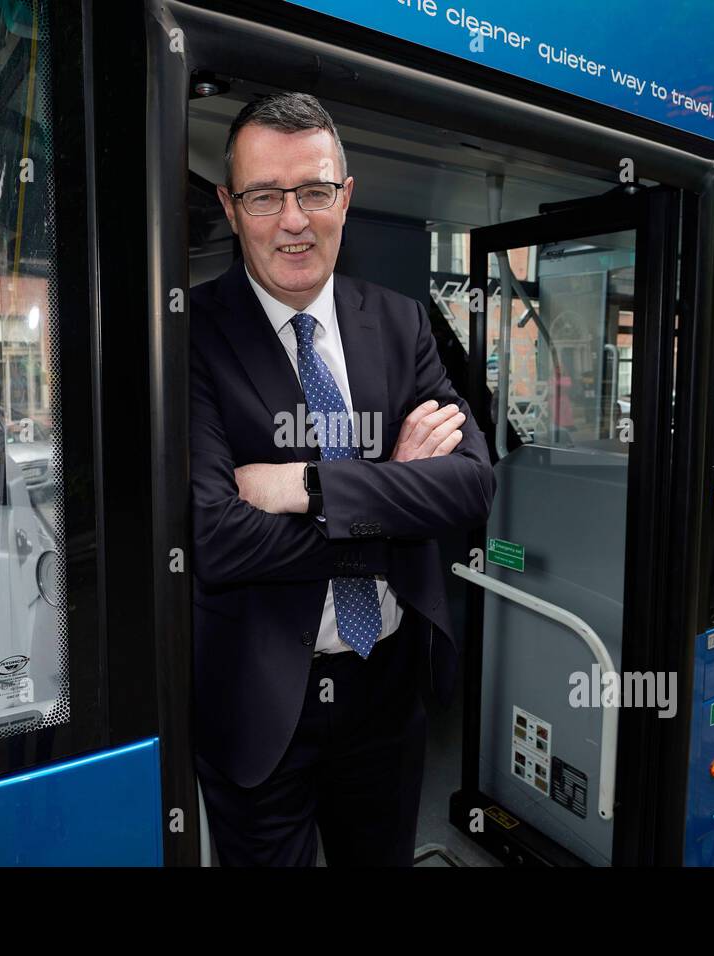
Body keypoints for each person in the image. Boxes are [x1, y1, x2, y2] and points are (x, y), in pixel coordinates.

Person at [189, 92, 494, 866]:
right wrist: (393, 493)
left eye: (315, 191)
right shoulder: (188, 332)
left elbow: (469, 484)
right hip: (258, 707)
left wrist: (315, 488)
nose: (294, 220)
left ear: (345, 197)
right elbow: (215, 539)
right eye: (265, 195)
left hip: (387, 693)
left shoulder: (399, 321)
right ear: (231, 207)